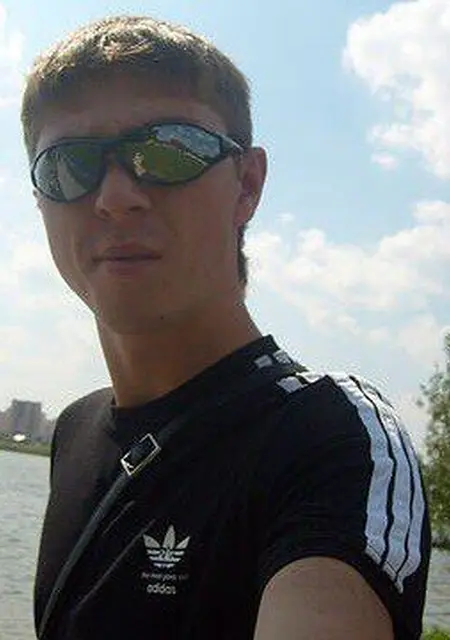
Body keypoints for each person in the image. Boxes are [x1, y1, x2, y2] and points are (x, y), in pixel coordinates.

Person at [21, 15, 430, 640]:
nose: (114, 196)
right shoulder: (75, 431)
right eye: (68, 165)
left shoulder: (331, 435)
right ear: (40, 200)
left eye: (167, 150)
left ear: (248, 184)